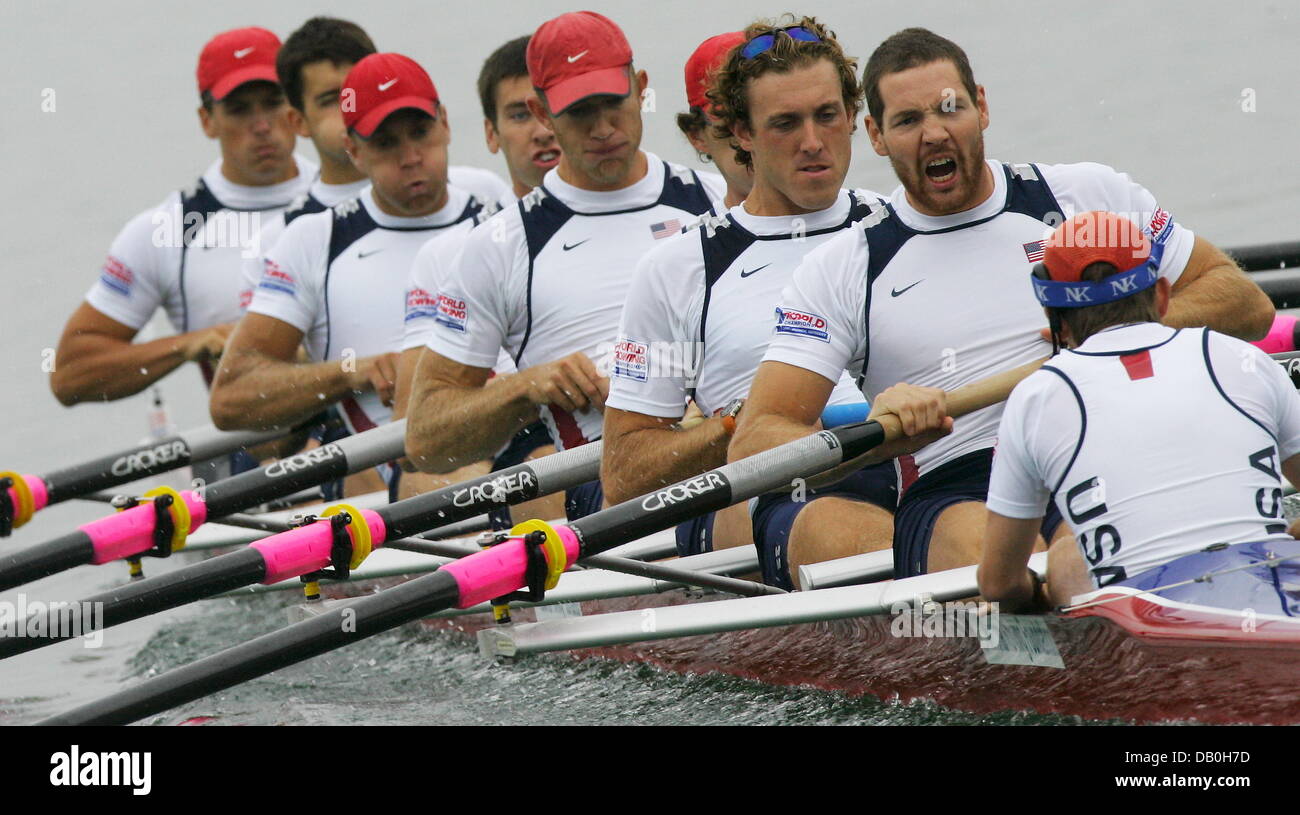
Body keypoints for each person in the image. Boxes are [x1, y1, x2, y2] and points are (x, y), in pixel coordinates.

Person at [731, 27, 1275, 580]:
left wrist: (1112, 335)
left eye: (950, 109)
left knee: (1074, 561)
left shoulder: (1083, 196)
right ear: (875, 134)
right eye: (908, 121)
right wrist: (872, 435)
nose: (935, 133)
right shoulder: (846, 266)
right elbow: (755, 439)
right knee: (1030, 565)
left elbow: (1244, 305)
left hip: (1103, 446)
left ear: (982, 106)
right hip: (963, 484)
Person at [603, 19, 894, 590]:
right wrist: (739, 426)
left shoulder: (904, 226)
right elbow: (623, 474)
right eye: (785, 123)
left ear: (854, 116)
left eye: (827, 116)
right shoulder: (680, 270)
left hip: (918, 471)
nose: (812, 141)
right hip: (782, 499)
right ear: (742, 133)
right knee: (837, 523)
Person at [405, 11, 722, 520]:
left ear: (640, 88)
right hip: (612, 489)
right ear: (542, 112)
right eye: (579, 112)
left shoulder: (716, 198)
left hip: (738, 449)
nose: (602, 128)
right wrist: (524, 387)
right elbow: (426, 441)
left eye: (612, 103)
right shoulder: (501, 246)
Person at [978, 211, 1300, 610]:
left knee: (1065, 563)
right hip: (1277, 587)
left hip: (1150, 616)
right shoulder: (1241, 356)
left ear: (1053, 319)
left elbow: (997, 584)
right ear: (1163, 295)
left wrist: (1038, 603)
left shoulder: (1036, 397)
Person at [209, 53, 498, 494]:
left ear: (445, 124)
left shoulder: (502, 218)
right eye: (385, 144)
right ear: (354, 151)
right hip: (391, 468)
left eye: (420, 133)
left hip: (514, 443)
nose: (410, 157)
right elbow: (231, 397)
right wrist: (352, 373)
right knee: (438, 476)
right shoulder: (314, 240)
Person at [51, 26, 315, 406]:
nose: (261, 126)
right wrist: (189, 345)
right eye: (239, 109)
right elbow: (69, 376)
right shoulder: (167, 232)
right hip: (261, 446)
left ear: (295, 108)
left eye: (272, 102)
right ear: (207, 121)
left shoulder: (355, 193)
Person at [390, 34, 563, 511]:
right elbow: (414, 435)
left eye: (550, 108)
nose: (543, 129)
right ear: (491, 134)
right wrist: (528, 387)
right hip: (520, 448)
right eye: (520, 114)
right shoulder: (452, 254)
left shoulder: (685, 208)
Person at [676, 31, 752, 210]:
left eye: (782, 123)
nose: (752, 142)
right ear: (697, 136)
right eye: (732, 126)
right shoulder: (693, 237)